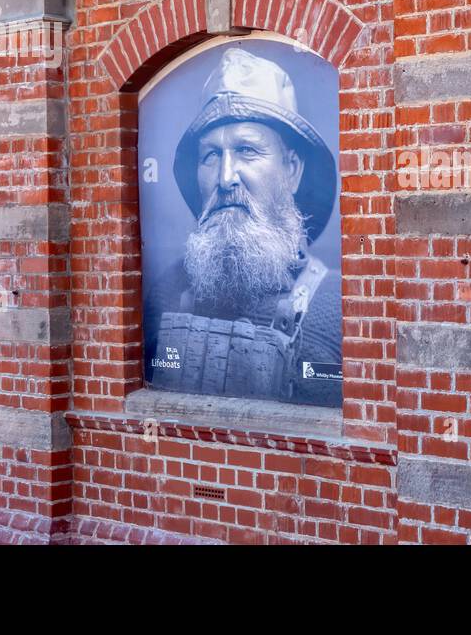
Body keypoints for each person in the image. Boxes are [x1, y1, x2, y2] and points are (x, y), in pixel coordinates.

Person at [144, 47, 341, 405]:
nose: (225, 177)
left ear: (292, 170)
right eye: (211, 155)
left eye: (247, 150)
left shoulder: (337, 308)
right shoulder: (167, 294)